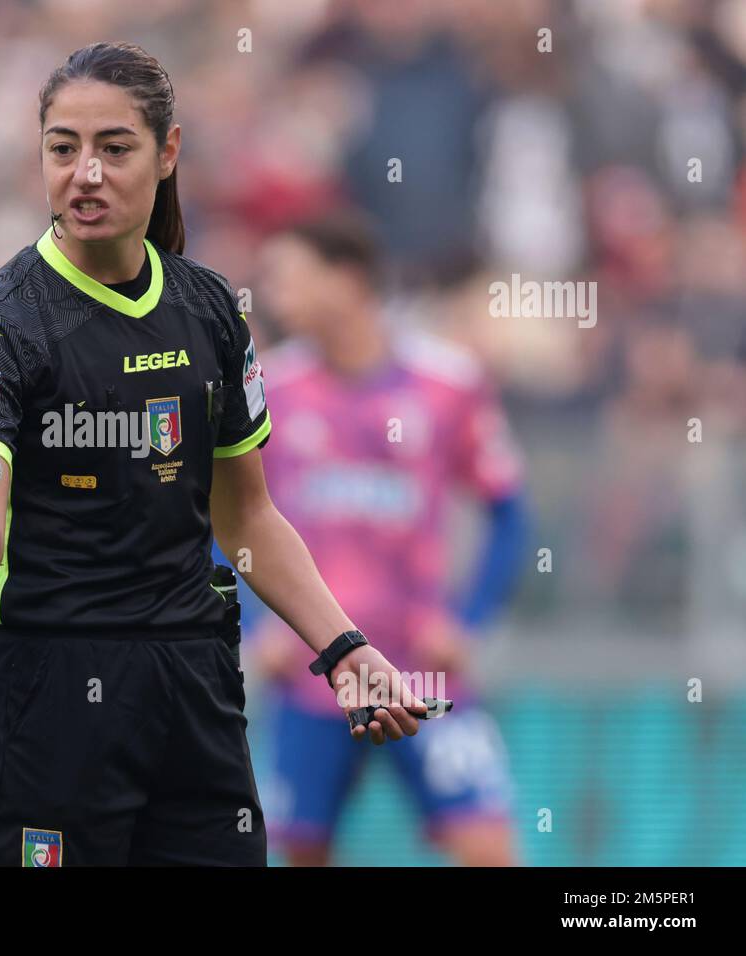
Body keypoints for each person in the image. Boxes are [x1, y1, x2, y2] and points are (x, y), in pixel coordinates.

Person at [0, 42, 429, 867]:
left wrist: (343, 649)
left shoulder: (210, 312)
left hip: (192, 696)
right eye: (63, 148)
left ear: (167, 153)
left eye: (113, 148)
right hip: (44, 700)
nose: (85, 172)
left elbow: (248, 518)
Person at [251, 213, 530, 866]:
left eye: (288, 275)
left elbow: (511, 515)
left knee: (488, 848)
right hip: (312, 671)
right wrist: (249, 627)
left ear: (346, 282)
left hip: (422, 666)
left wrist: (469, 621)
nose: (273, 292)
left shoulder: (447, 383)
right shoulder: (269, 387)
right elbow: (220, 522)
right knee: (299, 855)